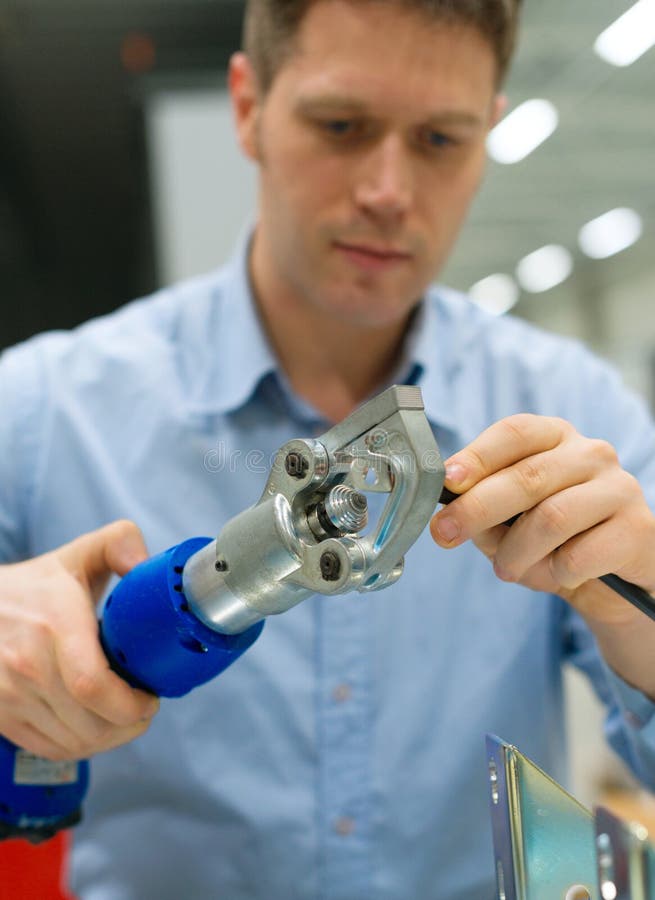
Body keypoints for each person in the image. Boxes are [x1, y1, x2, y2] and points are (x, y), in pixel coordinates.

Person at [1, 0, 655, 896]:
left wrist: (634, 612)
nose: (387, 189)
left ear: (489, 132)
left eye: (439, 139)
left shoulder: (577, 414)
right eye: (341, 124)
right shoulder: (40, 410)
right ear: (246, 106)